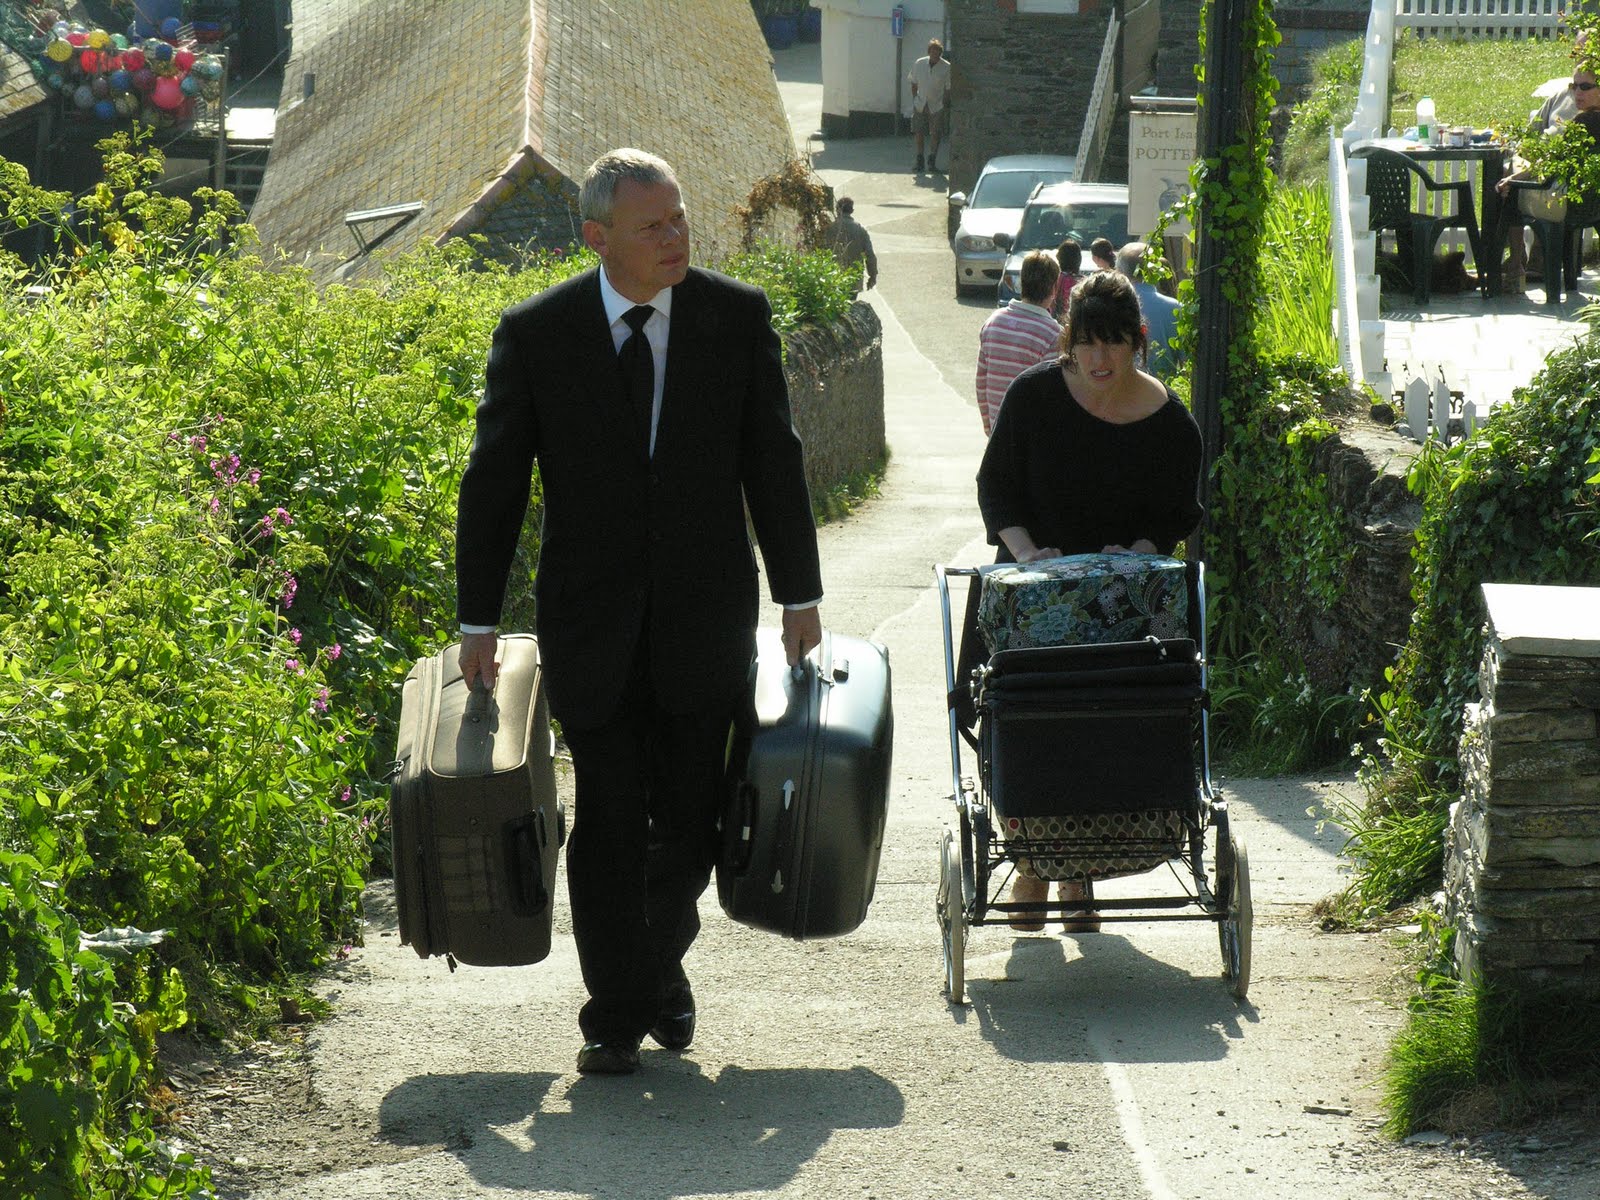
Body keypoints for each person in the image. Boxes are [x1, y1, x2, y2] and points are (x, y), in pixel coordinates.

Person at [455, 149, 824, 1076]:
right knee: (611, 818)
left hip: (706, 618)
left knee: (694, 819)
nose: (675, 237)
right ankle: (618, 1013)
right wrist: (477, 621)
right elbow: (495, 481)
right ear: (598, 237)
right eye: (652, 226)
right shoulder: (538, 334)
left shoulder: (735, 318)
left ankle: (653, 967)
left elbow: (773, 460)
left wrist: (800, 596)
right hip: (592, 624)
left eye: (679, 218)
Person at [971, 270, 1203, 931]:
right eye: (1087, 343)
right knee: (1031, 722)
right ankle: (1034, 860)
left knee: (1108, 726)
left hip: (1123, 608)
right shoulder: (1034, 397)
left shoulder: (1171, 424)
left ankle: (1077, 870)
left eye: (1114, 342)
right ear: (1068, 340)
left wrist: (1139, 549)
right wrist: (1026, 555)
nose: (1100, 359)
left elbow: (1173, 513)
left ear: (1138, 339)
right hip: (1033, 598)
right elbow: (997, 488)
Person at [1495, 64, 1600, 293]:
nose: (1577, 93)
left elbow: (1553, 163)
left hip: (1565, 204)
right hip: (1591, 206)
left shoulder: (1585, 123)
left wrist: (1513, 179)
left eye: (1585, 87)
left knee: (1509, 188)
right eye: (1573, 86)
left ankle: (1514, 267)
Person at [976, 249, 1061, 436]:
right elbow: (1052, 394)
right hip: (1033, 436)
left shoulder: (993, 322)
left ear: (1021, 283)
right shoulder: (1053, 334)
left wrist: (988, 427)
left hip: (998, 431)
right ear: (1054, 288)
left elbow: (981, 381)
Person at [1115, 242, 1183, 377]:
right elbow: (1186, 361)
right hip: (1163, 386)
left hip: (1120, 386)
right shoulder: (1175, 307)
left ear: (1119, 272)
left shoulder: (1110, 305)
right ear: (1155, 269)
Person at [908, 39, 952, 173]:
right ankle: (919, 160)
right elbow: (913, 82)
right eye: (933, 51)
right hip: (920, 103)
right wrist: (916, 99)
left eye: (937, 52)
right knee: (919, 131)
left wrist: (944, 103)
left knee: (936, 133)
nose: (935, 54)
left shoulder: (946, 67)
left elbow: (948, 87)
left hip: (937, 105)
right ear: (929, 52)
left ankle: (932, 161)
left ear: (940, 53)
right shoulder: (919, 63)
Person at [825, 196, 878, 294]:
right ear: (852, 211)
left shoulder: (829, 228)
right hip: (853, 278)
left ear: (837, 209)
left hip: (832, 278)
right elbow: (870, 255)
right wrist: (872, 276)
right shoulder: (860, 231)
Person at [1050, 238, 1082, 320]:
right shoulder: (1082, 282)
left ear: (1059, 259)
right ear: (1078, 259)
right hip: (1075, 321)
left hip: (1056, 320)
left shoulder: (1054, 279)